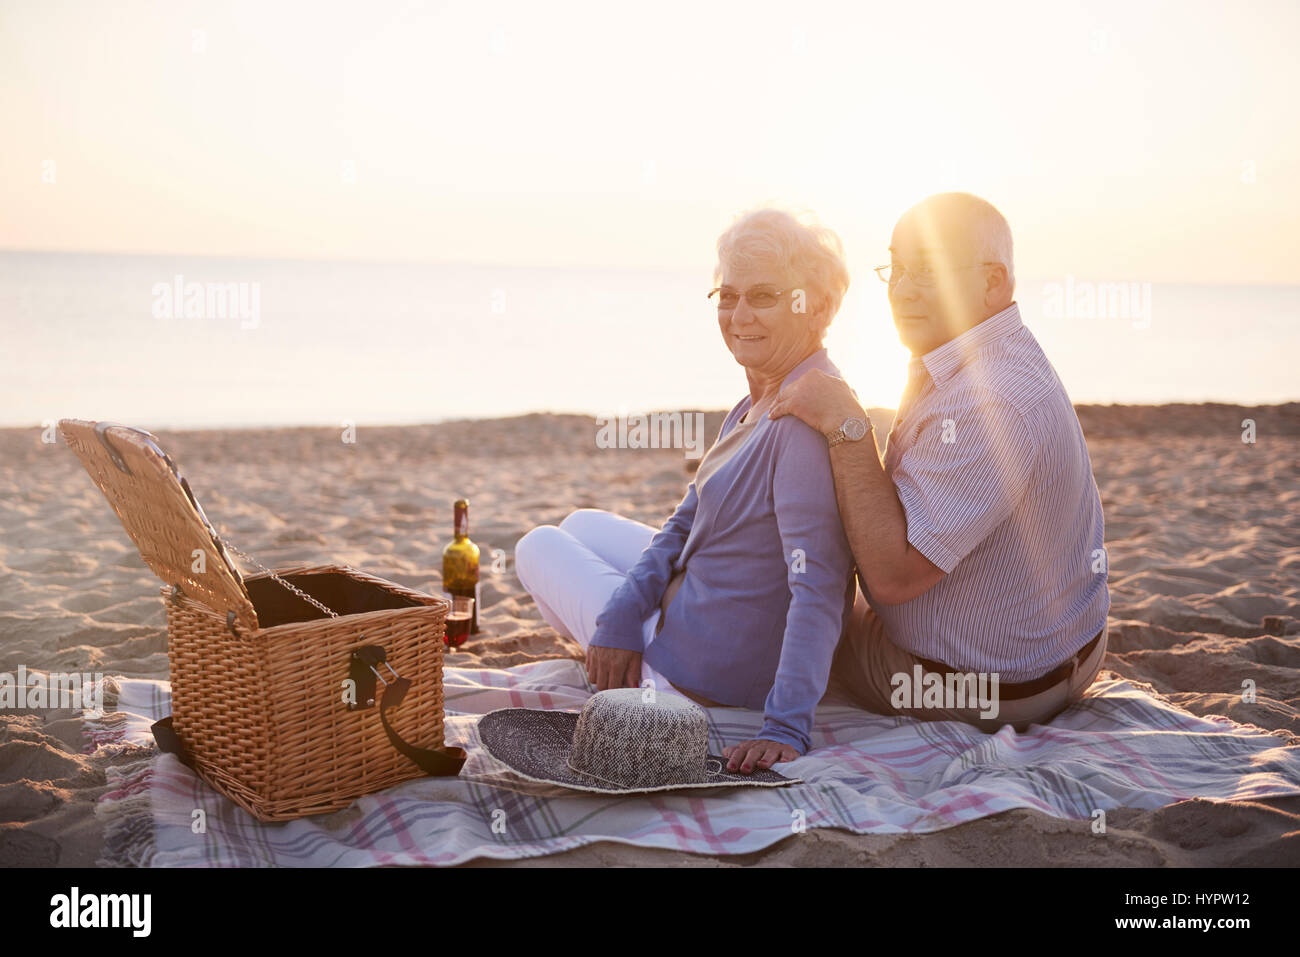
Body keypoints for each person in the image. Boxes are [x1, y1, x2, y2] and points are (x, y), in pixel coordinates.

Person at [514, 208, 857, 773]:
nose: (739, 315)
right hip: (702, 604)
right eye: (728, 295)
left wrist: (785, 726)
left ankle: (633, 671)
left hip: (702, 675)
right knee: (580, 525)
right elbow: (683, 524)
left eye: (764, 296)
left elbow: (817, 585)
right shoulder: (758, 401)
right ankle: (622, 638)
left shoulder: (800, 423)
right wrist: (621, 616)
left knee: (535, 544)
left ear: (815, 305)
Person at [768, 191, 1110, 734]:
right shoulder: (983, 351)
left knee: (762, 609)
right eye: (896, 269)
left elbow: (891, 579)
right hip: (1056, 652)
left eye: (926, 270)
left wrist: (848, 426)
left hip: (984, 687)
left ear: (993, 282)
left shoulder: (991, 400)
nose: (901, 291)